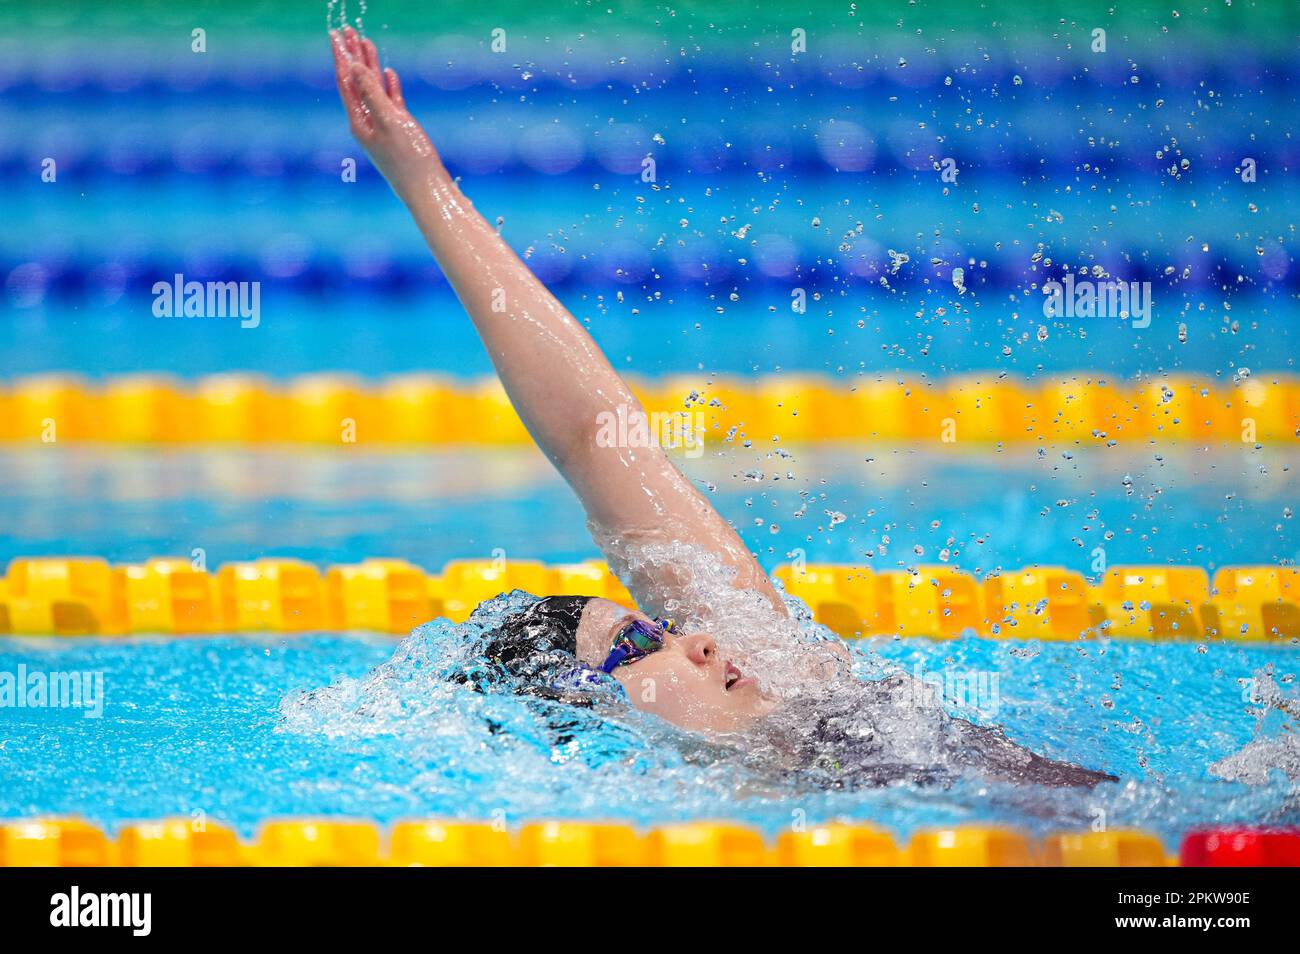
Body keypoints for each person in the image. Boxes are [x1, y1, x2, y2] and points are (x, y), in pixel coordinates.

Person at [329, 28, 1115, 786]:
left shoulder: (793, 680)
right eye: (637, 645)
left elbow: (597, 440)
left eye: (659, 628)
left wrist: (421, 178)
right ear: (587, 718)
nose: (699, 639)